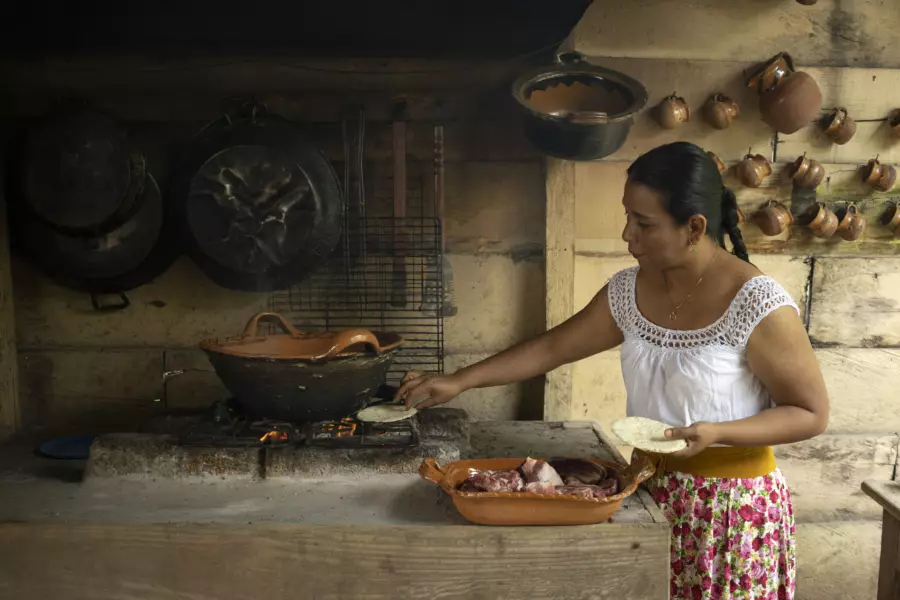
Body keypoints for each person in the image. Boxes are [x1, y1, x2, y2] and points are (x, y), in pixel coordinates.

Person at [398, 141, 829, 600]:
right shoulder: (629, 290)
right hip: (646, 491)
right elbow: (552, 348)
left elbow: (809, 413)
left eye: (644, 224)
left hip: (730, 513)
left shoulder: (756, 302)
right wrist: (460, 380)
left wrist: (716, 431)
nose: (628, 235)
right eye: (628, 216)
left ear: (694, 227)